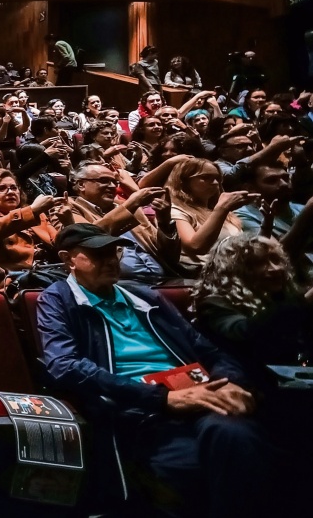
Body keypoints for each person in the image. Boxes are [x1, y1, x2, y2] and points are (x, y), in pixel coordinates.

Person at [37, 223, 277, 518]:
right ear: (68, 259)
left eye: (114, 252)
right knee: (192, 468)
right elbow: (64, 365)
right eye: (98, 255)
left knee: (238, 438)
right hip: (138, 409)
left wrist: (231, 382)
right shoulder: (58, 298)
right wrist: (162, 398)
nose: (111, 261)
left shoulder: (143, 295)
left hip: (197, 395)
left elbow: (208, 351)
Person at [194, 234, 313, 387]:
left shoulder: (282, 295)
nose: (275, 268)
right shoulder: (214, 304)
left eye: (276, 260)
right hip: (251, 385)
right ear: (234, 269)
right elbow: (246, 334)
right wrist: (304, 302)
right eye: (259, 263)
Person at [69, 163, 179, 280]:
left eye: (114, 182)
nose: (112, 186)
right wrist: (131, 204)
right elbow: (87, 238)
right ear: (81, 185)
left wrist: (164, 221)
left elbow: (170, 255)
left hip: (163, 278)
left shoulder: (132, 209)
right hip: (116, 281)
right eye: (104, 180)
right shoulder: (68, 208)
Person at [0, 170, 69, 273]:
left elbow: (59, 244)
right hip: (13, 276)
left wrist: (67, 223)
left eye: (14, 188)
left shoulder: (37, 214)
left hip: (52, 268)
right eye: (1, 188)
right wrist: (32, 210)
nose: (10, 192)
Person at [165, 157, 248, 274]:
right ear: (183, 181)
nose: (215, 183)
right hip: (205, 275)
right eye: (205, 178)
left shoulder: (218, 210)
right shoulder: (175, 210)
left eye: (217, 178)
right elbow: (195, 246)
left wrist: (267, 223)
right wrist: (222, 209)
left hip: (236, 270)